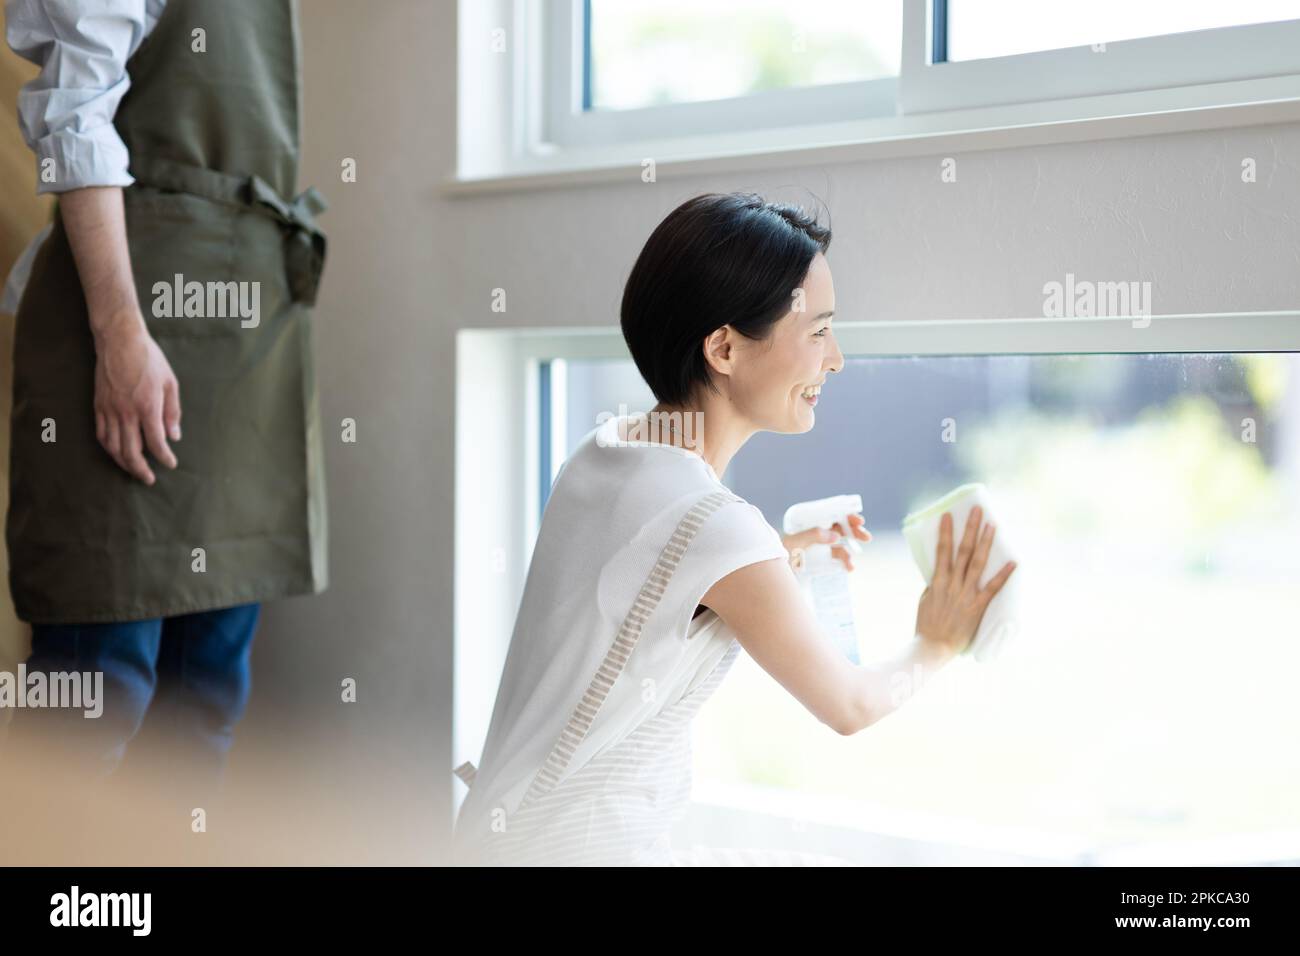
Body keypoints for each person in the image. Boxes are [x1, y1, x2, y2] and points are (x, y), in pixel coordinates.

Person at [449, 192, 1017, 866]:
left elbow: (638, 579)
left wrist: (773, 559)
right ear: (723, 347)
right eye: (818, 331)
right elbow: (851, 705)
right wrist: (938, 639)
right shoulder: (718, 530)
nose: (835, 360)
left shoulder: (602, 454)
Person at [2, 0, 328, 794]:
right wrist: (119, 337)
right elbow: (74, 109)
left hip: (245, 335)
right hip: (127, 311)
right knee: (94, 697)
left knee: (205, 697)